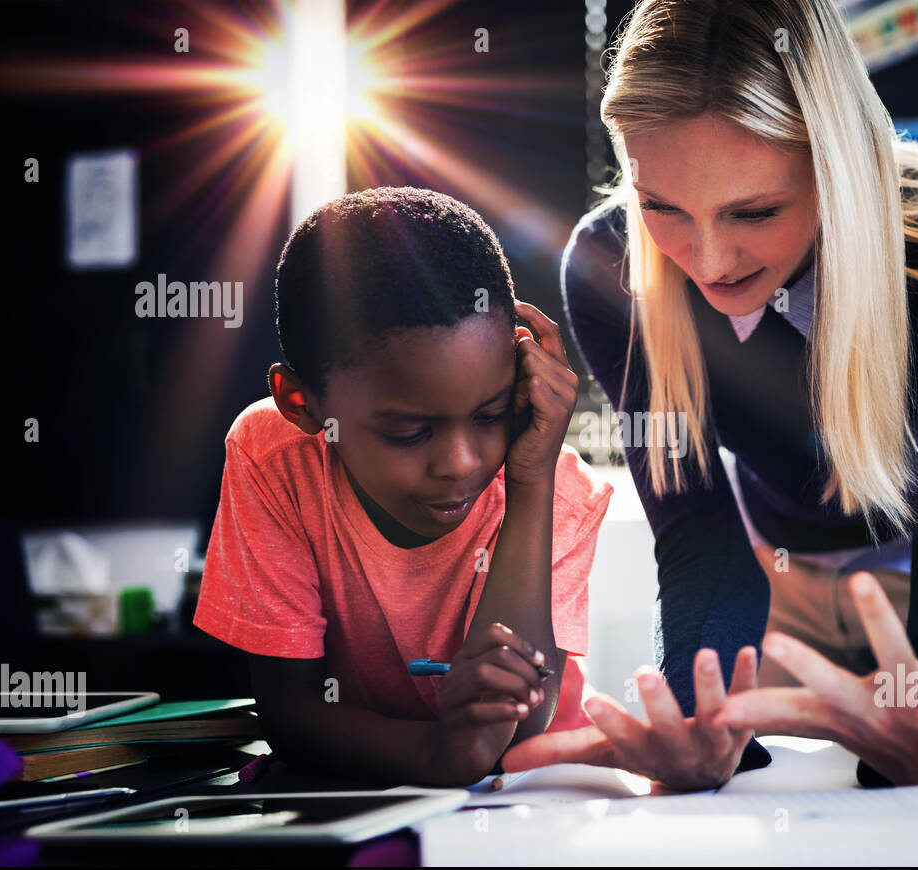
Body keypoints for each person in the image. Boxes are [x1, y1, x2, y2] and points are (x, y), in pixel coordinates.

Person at [503, 0, 918, 792]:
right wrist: (694, 720)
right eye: (662, 206)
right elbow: (699, 531)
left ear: (834, 164)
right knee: (743, 806)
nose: (707, 260)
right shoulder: (608, 267)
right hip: (779, 566)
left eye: (755, 211)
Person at [193, 187, 612, 786]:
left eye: (490, 415)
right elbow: (289, 713)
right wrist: (440, 754)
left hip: (536, 792)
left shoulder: (556, 485)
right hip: (365, 786)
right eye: (409, 432)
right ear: (301, 402)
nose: (460, 463)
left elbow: (514, 732)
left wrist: (530, 480)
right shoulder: (274, 458)